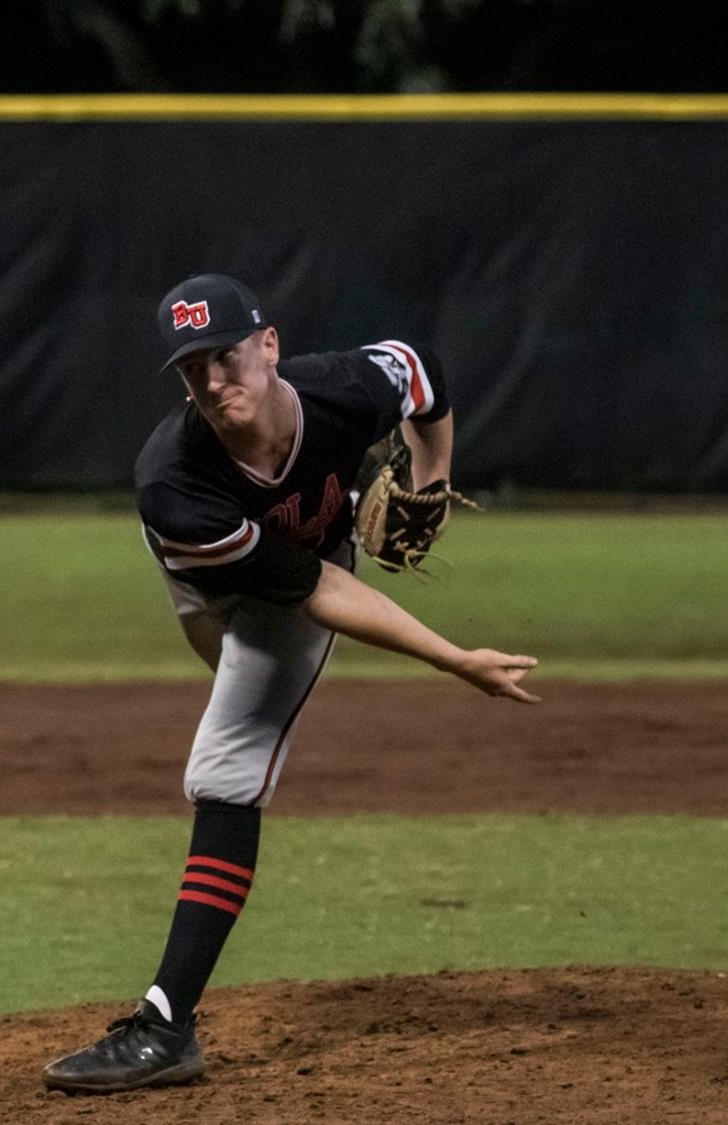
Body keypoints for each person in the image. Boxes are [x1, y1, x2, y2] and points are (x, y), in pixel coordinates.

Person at [42, 274, 541, 1095]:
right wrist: (452, 656)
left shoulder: (342, 390)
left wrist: (430, 477)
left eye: (226, 356)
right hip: (206, 569)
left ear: (269, 345)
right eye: (191, 368)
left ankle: (165, 1026)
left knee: (227, 763)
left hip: (302, 569)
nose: (212, 381)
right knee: (232, 674)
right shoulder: (173, 480)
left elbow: (420, 370)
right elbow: (311, 588)